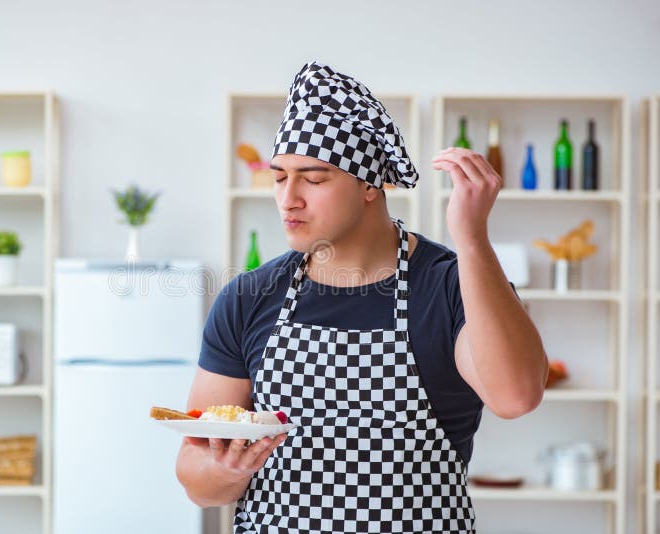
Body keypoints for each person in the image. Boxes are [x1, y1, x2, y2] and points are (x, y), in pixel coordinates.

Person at [176, 61, 548, 533]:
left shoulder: (452, 285)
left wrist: (471, 237)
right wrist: (225, 472)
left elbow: (515, 397)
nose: (289, 198)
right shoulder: (249, 297)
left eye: (312, 179)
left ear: (370, 184)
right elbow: (194, 475)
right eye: (278, 177)